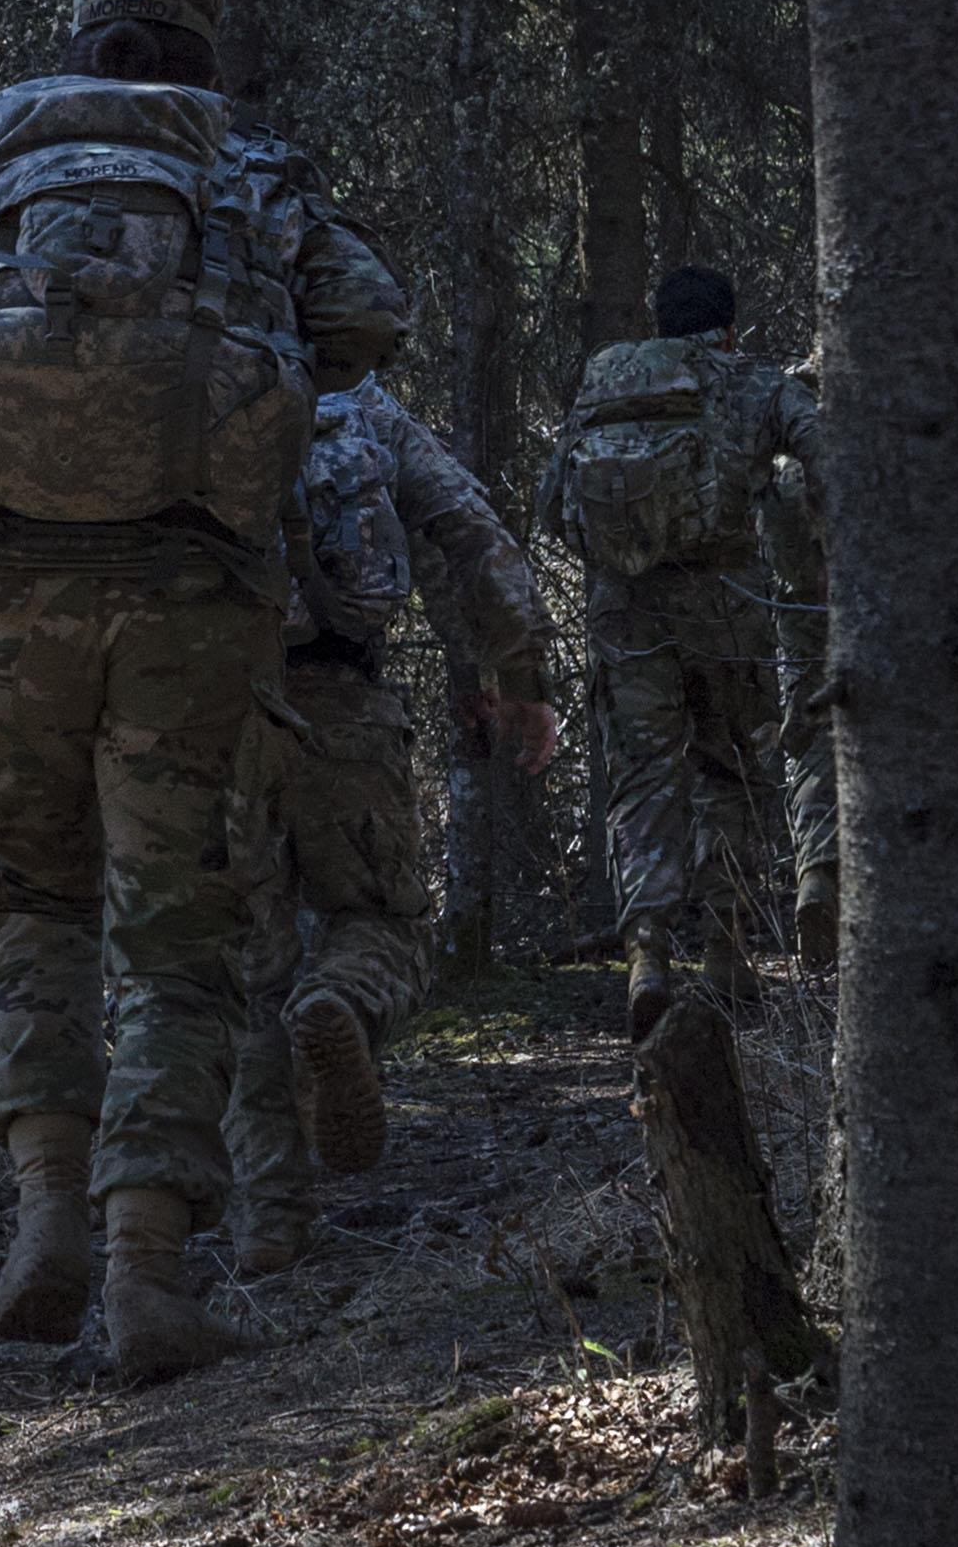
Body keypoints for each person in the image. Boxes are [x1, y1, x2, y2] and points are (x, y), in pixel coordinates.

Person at [0, 0, 406, 1382]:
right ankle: (147, 1260)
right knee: (178, 931)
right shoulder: (248, 163)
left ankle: (42, 1223)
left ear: (76, 38)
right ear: (198, 48)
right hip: (193, 588)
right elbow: (369, 320)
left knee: (30, 906)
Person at [220, 377, 555, 1264]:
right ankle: (343, 1000)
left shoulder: (162, 365)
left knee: (244, 960)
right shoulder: (357, 406)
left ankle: (268, 1214)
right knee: (382, 922)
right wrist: (512, 674)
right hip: (341, 698)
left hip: (200, 711)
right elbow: (469, 533)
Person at [536, 265, 817, 1037]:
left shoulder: (607, 382)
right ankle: (728, 953)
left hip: (624, 614)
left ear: (661, 324)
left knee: (642, 780)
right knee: (732, 768)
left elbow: (551, 504)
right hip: (727, 609)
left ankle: (648, 956)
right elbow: (826, 454)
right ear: (727, 327)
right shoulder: (750, 380)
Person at [761, 342, 837, 976]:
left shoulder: (785, 403)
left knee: (813, 733)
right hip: (870, 592)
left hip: (801, 604)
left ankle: (817, 877)